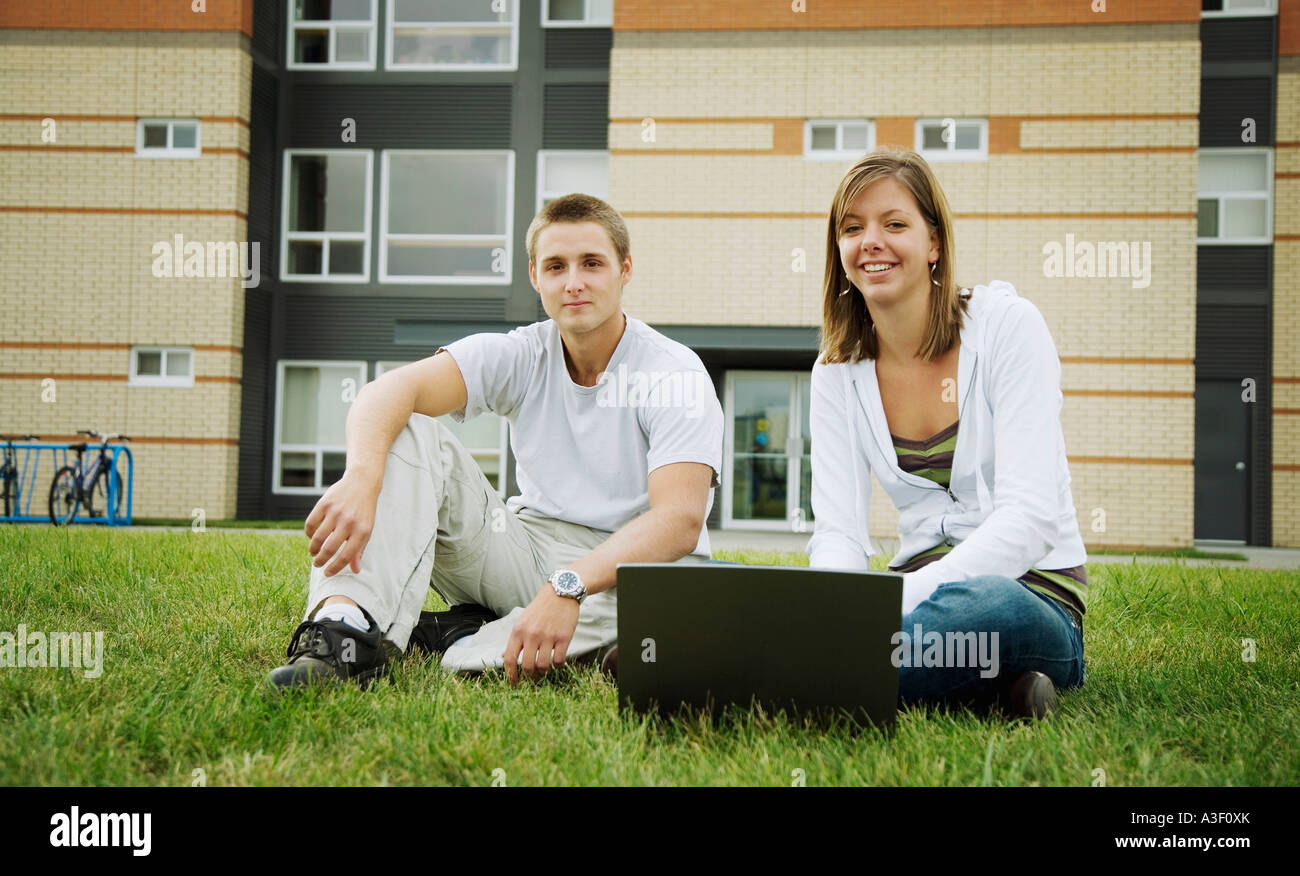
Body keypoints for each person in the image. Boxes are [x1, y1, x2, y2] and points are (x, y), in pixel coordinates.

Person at [268, 194, 723, 689]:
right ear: (535, 277)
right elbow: (390, 391)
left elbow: (678, 520)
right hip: (527, 546)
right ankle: (343, 631)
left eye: (592, 263)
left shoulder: (673, 371)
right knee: (410, 428)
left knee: (623, 638)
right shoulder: (522, 352)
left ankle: (467, 634)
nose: (574, 282)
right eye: (556, 266)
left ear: (624, 270)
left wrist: (568, 586)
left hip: (638, 575)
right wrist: (362, 477)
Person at [806, 149, 1088, 719]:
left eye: (894, 223)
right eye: (852, 228)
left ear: (934, 243)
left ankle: (770, 675)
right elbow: (838, 530)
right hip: (904, 605)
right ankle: (996, 690)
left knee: (986, 611)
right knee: (787, 597)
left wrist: (904, 600)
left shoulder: (1009, 327)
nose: (871, 242)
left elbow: (1030, 518)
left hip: (1027, 595)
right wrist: (840, 609)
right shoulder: (836, 371)